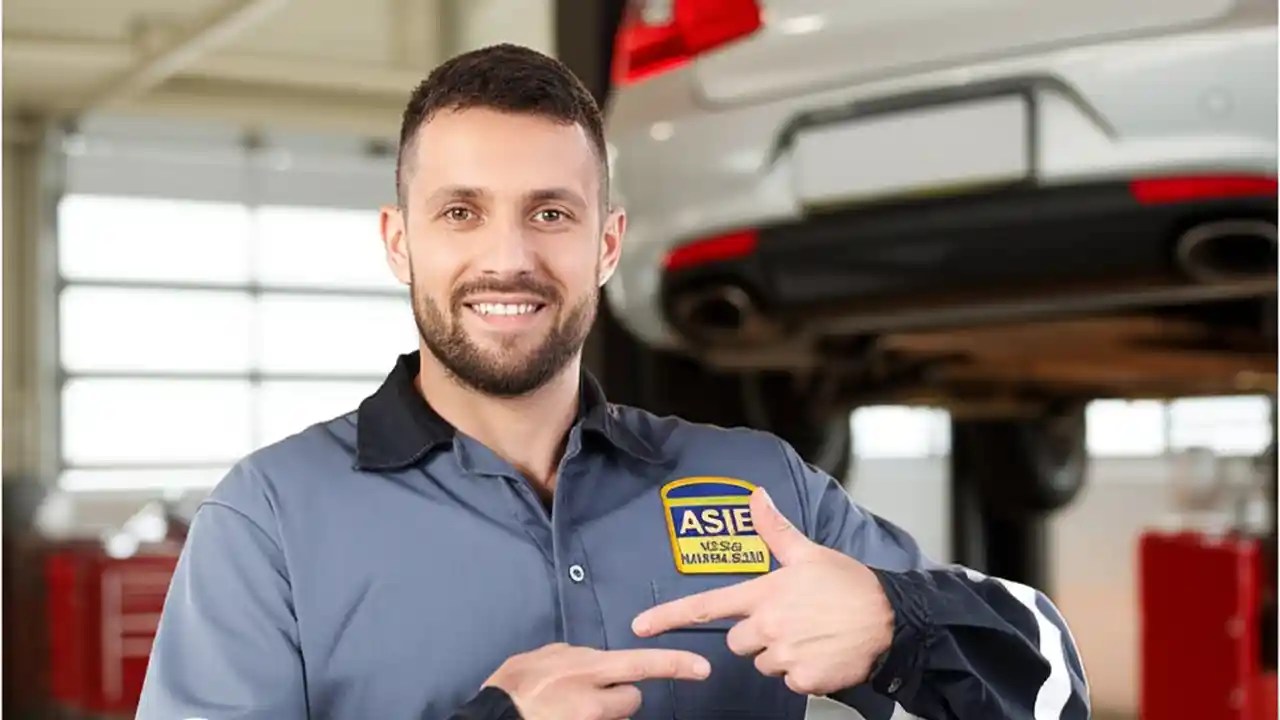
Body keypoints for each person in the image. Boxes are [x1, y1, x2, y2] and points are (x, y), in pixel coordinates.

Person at [137, 43, 1090, 720]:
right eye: (461, 212)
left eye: (550, 212)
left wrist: (900, 624)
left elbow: (1052, 686)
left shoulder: (761, 490)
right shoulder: (272, 520)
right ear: (401, 242)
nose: (506, 258)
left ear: (606, 243)